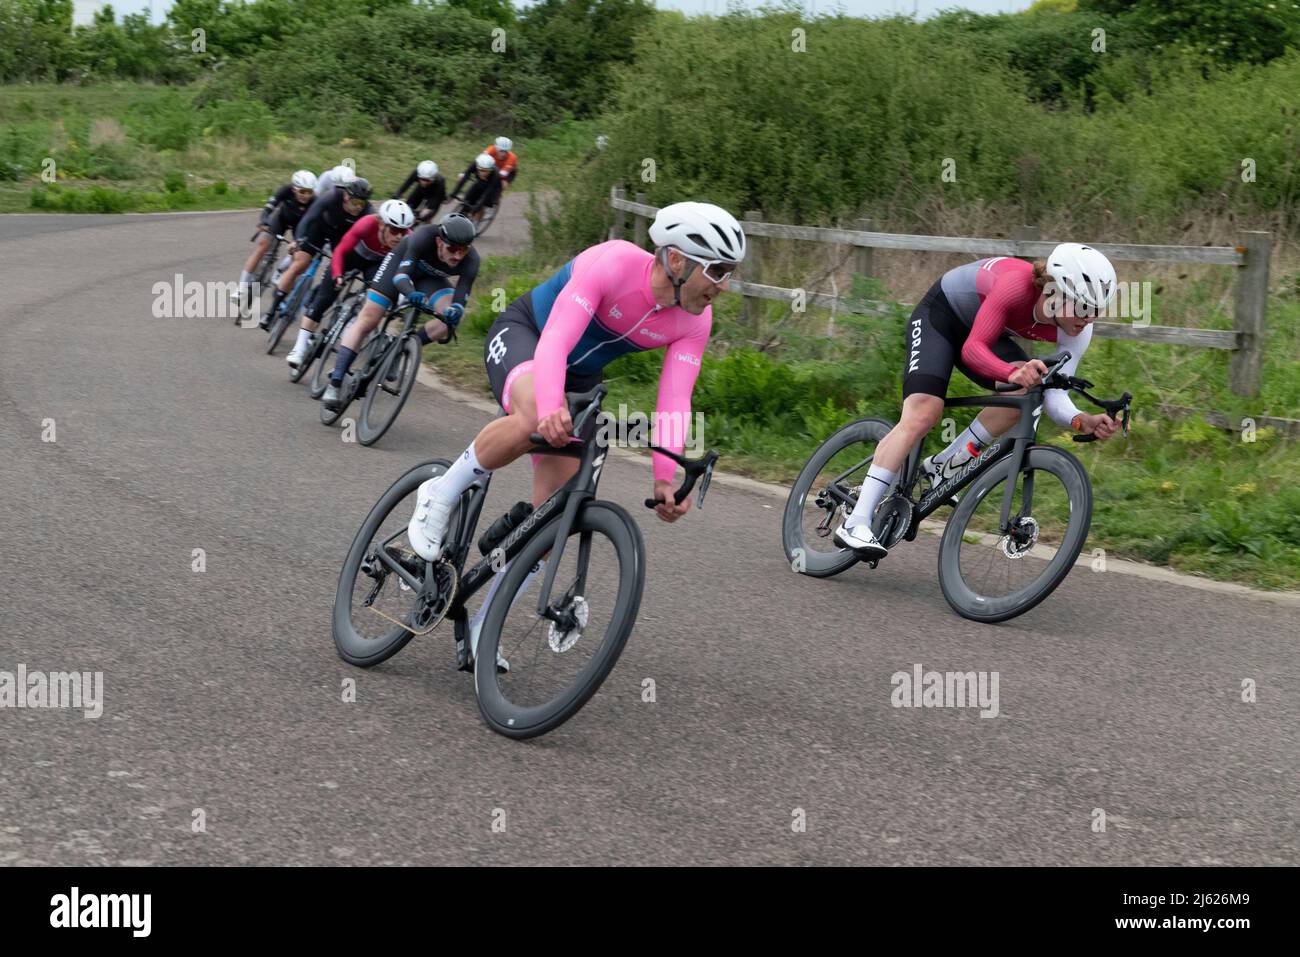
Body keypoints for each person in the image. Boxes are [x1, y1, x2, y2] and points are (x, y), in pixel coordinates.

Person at [403, 201, 746, 666]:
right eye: (718, 271)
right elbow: (557, 341)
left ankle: (484, 624)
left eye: (730, 273)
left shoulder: (695, 320)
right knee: (529, 421)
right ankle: (439, 494)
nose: (724, 287)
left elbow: (674, 400)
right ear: (678, 260)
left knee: (551, 521)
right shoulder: (612, 262)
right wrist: (548, 405)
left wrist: (666, 478)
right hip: (529, 336)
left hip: (580, 381)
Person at [833, 243, 1123, 559]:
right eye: (1081, 306)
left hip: (986, 331)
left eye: (1096, 309)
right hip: (941, 318)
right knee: (925, 412)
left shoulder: (1079, 331)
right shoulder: (1014, 287)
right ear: (1053, 290)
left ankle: (945, 464)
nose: (1088, 318)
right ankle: (856, 520)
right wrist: (1012, 373)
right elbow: (973, 349)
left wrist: (1083, 420)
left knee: (1030, 392)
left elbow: (1055, 396)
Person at [321, 213, 481, 410]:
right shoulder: (422, 237)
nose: (457, 256)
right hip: (399, 268)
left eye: (463, 250)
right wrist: (411, 293)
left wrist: (455, 310)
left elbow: (461, 297)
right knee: (369, 319)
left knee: (452, 321)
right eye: (452, 249)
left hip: (431, 280)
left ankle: (401, 348)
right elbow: (401, 276)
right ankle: (335, 382)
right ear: (440, 242)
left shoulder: (472, 260)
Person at [285, 199, 414, 372]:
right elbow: (340, 251)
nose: (399, 236)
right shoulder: (366, 224)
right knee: (324, 299)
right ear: (381, 223)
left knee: (373, 305)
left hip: (376, 266)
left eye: (403, 231)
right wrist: (337, 275)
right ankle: (299, 348)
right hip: (350, 258)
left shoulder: (408, 239)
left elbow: (406, 270)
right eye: (394, 230)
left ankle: (350, 329)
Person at [259, 178, 373, 330]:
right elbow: (308, 218)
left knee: (337, 273)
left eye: (362, 203)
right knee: (299, 263)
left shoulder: (368, 211)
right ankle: (272, 310)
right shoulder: (332, 196)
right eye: (355, 202)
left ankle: (316, 294)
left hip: (340, 238)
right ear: (346, 195)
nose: (358, 207)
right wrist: (297, 240)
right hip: (318, 229)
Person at [234, 169, 315, 303]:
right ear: (294, 189)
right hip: (281, 219)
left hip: (300, 226)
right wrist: (263, 221)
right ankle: (241, 288)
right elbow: (269, 208)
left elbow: (312, 224)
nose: (306, 196)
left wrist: (298, 240)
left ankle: (280, 270)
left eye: (309, 192)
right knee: (262, 246)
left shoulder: (314, 201)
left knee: (297, 253)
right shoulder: (285, 190)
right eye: (302, 191)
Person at [446, 153, 502, 228]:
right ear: (477, 167)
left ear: (491, 169)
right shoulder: (474, 165)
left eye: (486, 171)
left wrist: (477, 207)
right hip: (480, 182)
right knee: (467, 198)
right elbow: (463, 180)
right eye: (481, 170)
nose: (483, 173)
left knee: (482, 205)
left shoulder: (495, 174)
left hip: (493, 188)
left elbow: (486, 194)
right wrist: (453, 193)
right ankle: (460, 217)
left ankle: (476, 222)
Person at [392, 159, 447, 223]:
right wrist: (396, 196)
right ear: (419, 175)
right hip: (420, 190)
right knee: (407, 208)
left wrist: (426, 211)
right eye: (422, 179)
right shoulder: (416, 173)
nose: (424, 183)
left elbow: (435, 200)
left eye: (427, 180)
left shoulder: (440, 181)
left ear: (433, 178)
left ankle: (427, 225)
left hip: (434, 195)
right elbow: (405, 185)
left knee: (425, 216)